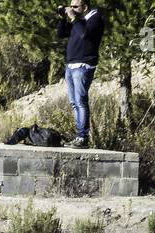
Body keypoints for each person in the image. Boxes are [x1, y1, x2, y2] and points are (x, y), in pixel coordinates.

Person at [57, 1, 104, 149]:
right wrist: (62, 18)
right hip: (71, 65)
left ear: (85, 6)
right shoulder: (78, 20)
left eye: (75, 7)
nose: (72, 9)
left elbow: (84, 35)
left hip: (83, 65)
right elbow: (61, 34)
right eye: (71, 6)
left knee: (81, 101)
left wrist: (74, 18)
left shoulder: (95, 18)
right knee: (73, 102)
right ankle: (79, 137)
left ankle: (83, 138)